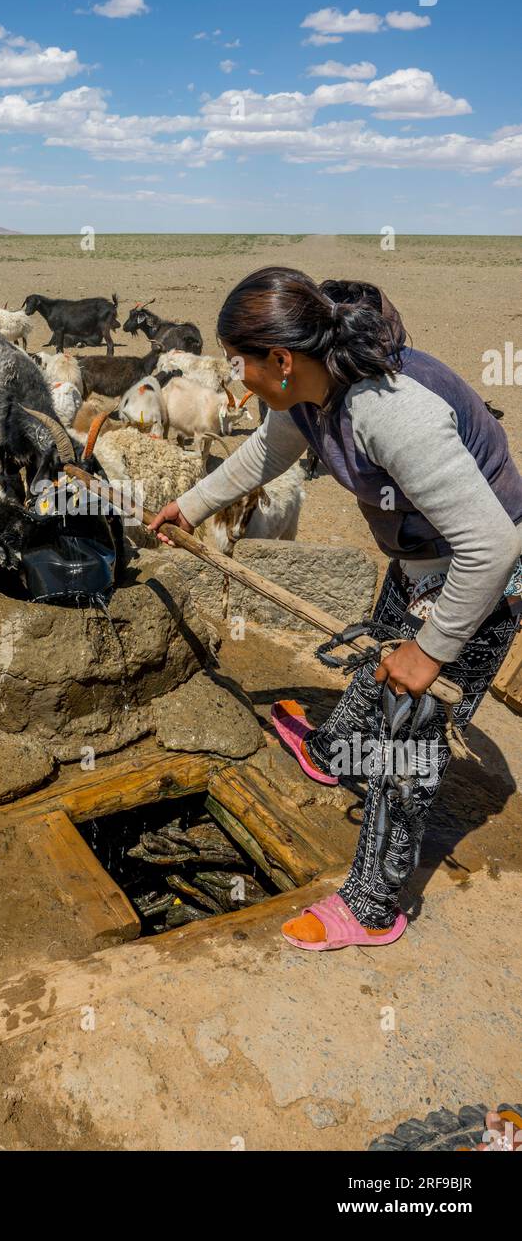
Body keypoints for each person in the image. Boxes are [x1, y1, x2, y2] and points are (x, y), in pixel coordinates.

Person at [149, 267, 522, 951]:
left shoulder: (390, 411)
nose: (236, 380)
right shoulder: (307, 395)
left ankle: (374, 903)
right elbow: (266, 451)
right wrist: (193, 506)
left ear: (281, 360)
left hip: (483, 579)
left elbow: (494, 546)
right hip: (420, 560)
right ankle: (331, 753)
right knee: (380, 651)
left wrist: (432, 648)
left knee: (409, 739)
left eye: (240, 364)